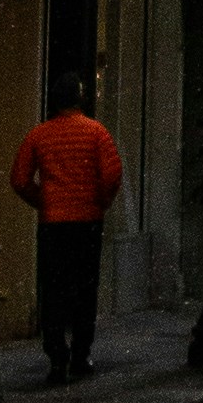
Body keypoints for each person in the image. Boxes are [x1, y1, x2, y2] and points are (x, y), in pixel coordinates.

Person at [10, 85, 125, 381]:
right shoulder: (96, 133)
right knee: (85, 289)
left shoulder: (40, 135)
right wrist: (100, 201)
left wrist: (44, 200)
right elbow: (112, 175)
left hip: (53, 223)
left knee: (53, 289)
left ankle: (57, 356)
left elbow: (20, 178)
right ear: (80, 99)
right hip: (87, 221)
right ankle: (81, 354)